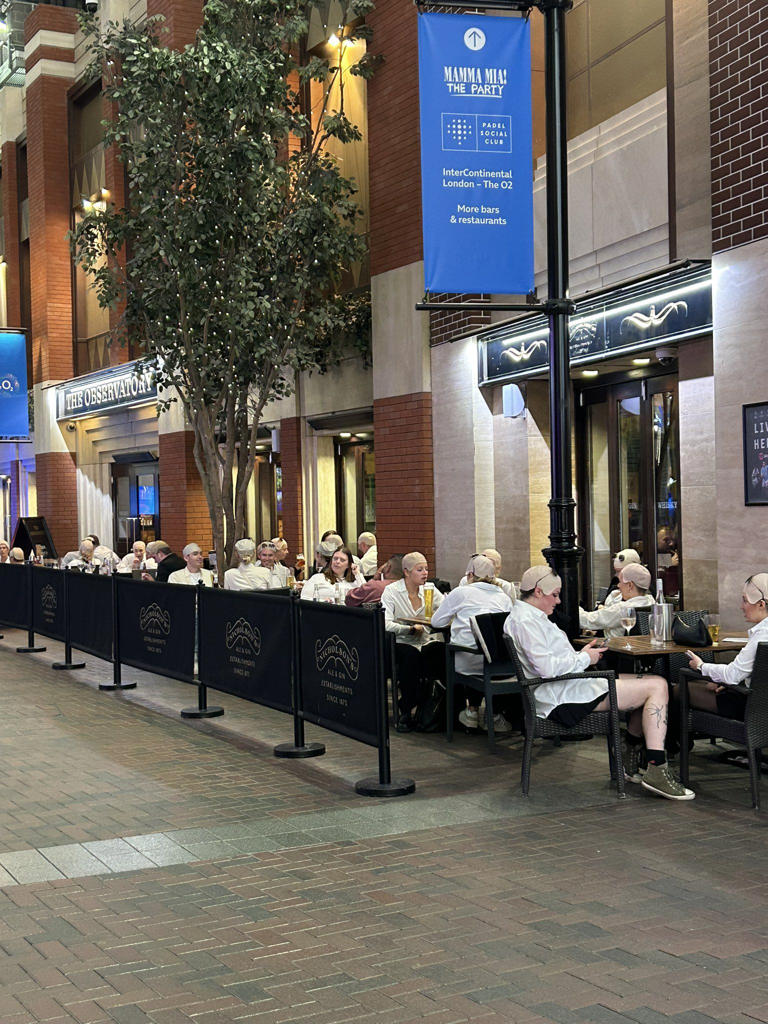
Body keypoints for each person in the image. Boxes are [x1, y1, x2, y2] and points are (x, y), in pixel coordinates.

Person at [504, 564, 694, 801]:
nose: (559, 601)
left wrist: (580, 655)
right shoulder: (526, 622)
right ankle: (656, 766)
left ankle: (631, 757)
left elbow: (548, 660)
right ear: (538, 592)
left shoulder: (529, 617)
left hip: (568, 688)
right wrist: (585, 658)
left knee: (652, 682)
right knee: (657, 687)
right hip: (563, 699)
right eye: (555, 595)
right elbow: (546, 669)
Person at [430, 553, 515, 733]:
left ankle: (471, 713)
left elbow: (436, 622)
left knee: (445, 653)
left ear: (469, 575)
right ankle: (492, 715)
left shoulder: (461, 592)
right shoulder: (504, 596)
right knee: (486, 654)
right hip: (500, 664)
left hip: (467, 660)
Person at [684, 573, 768, 724]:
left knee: (679, 690)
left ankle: (676, 744)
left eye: (745, 601)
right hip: (761, 706)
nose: (741, 606)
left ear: (761, 604)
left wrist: (701, 666)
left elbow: (732, 675)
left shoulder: (761, 636)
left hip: (750, 709)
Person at [382, 551, 446, 732]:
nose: (425, 573)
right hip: (400, 642)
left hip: (424, 641)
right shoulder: (393, 591)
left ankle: (439, 711)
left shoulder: (430, 590)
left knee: (443, 652)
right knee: (411, 658)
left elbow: (446, 610)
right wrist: (408, 629)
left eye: (426, 568)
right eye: (420, 569)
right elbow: (385, 623)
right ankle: (406, 710)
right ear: (407, 572)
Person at [579, 563, 655, 639]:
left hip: (613, 648)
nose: (618, 585)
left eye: (620, 581)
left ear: (630, 585)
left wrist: (574, 607)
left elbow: (587, 620)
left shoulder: (623, 609)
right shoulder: (652, 602)